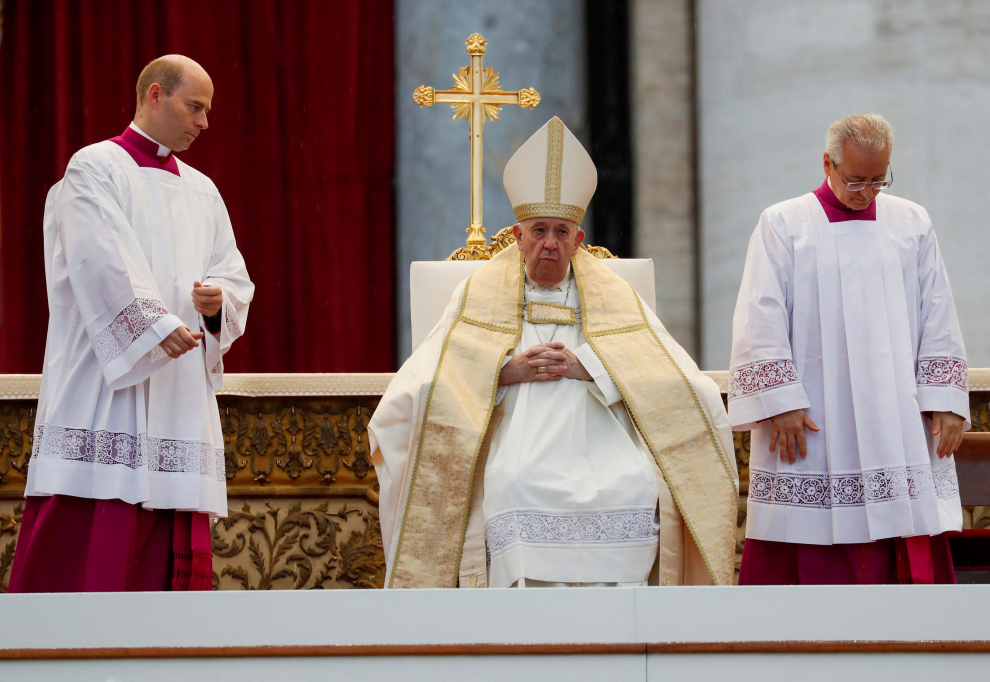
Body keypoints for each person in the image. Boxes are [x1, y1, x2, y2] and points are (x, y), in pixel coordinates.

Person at [371, 117, 737, 589]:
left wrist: (594, 368)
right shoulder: (477, 292)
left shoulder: (615, 295)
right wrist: (502, 371)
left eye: (562, 232)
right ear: (518, 235)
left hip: (600, 433)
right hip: (516, 436)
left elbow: (673, 375)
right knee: (515, 484)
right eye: (539, 230)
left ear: (578, 240)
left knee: (634, 486)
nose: (549, 243)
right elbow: (426, 380)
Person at [7, 55, 254, 592]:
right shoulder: (93, 168)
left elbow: (232, 272)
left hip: (179, 385)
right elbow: (100, 261)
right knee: (93, 538)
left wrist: (217, 307)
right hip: (107, 380)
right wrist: (152, 325)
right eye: (195, 107)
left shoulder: (202, 189)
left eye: (207, 111)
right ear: (155, 95)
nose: (203, 123)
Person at [730, 113, 964, 585]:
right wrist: (781, 401)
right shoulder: (783, 223)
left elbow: (938, 309)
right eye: (856, 180)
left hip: (896, 409)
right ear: (827, 163)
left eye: (880, 180)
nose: (867, 192)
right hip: (814, 413)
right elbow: (761, 314)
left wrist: (946, 400)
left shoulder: (911, 221)